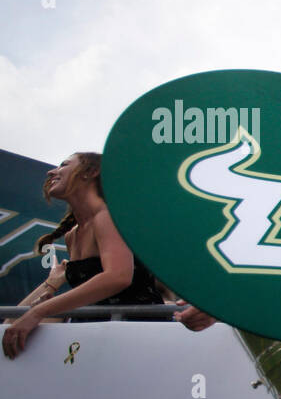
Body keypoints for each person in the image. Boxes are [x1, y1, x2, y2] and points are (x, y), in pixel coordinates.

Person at [4, 152, 163, 359]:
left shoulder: (109, 216)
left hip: (138, 342)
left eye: (63, 164)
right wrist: (51, 291)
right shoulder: (72, 236)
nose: (51, 171)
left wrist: (39, 312)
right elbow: (90, 295)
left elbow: (118, 277)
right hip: (92, 339)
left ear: (91, 172)